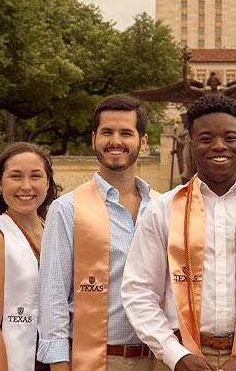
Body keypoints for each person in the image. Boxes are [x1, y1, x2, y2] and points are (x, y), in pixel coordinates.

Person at [122, 93, 236, 371]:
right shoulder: (162, 210)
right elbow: (138, 291)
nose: (219, 146)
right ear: (191, 145)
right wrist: (175, 355)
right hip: (181, 358)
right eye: (206, 138)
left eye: (230, 137)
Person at [36, 94, 163, 371]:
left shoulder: (162, 207)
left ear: (143, 141)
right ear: (94, 138)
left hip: (159, 360)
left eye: (126, 133)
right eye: (107, 132)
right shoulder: (67, 209)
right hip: (94, 360)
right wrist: (59, 365)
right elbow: (53, 298)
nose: (115, 141)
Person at [0, 141, 60, 370]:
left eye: (35, 176)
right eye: (16, 176)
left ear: (47, 183)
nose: (26, 186)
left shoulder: (56, 234)